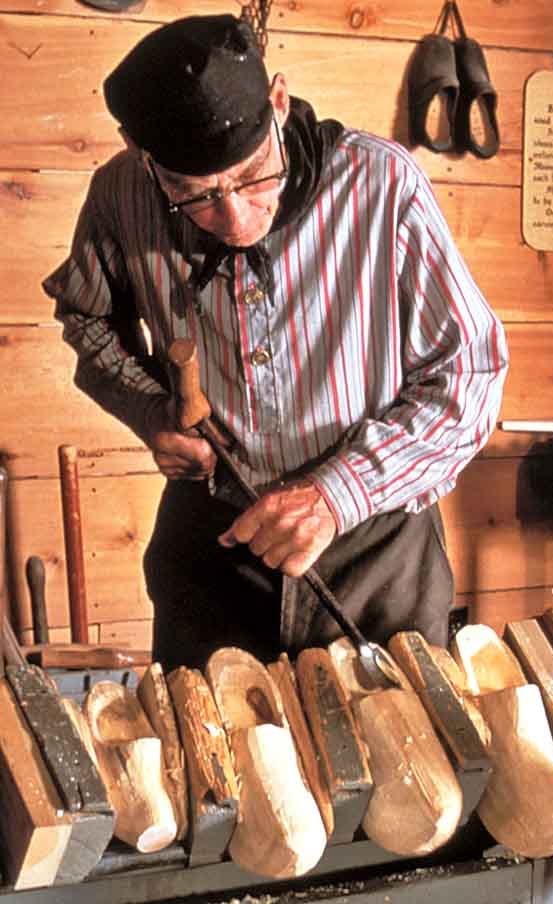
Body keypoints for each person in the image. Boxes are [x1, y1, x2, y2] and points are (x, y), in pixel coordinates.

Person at [43, 14, 508, 672]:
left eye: (254, 174)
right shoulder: (120, 194)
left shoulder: (382, 186)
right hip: (216, 543)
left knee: (403, 758)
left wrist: (335, 494)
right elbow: (86, 319)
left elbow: (471, 373)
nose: (234, 219)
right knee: (209, 762)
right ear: (141, 153)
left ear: (279, 104)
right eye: (194, 196)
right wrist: (150, 410)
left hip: (374, 549)